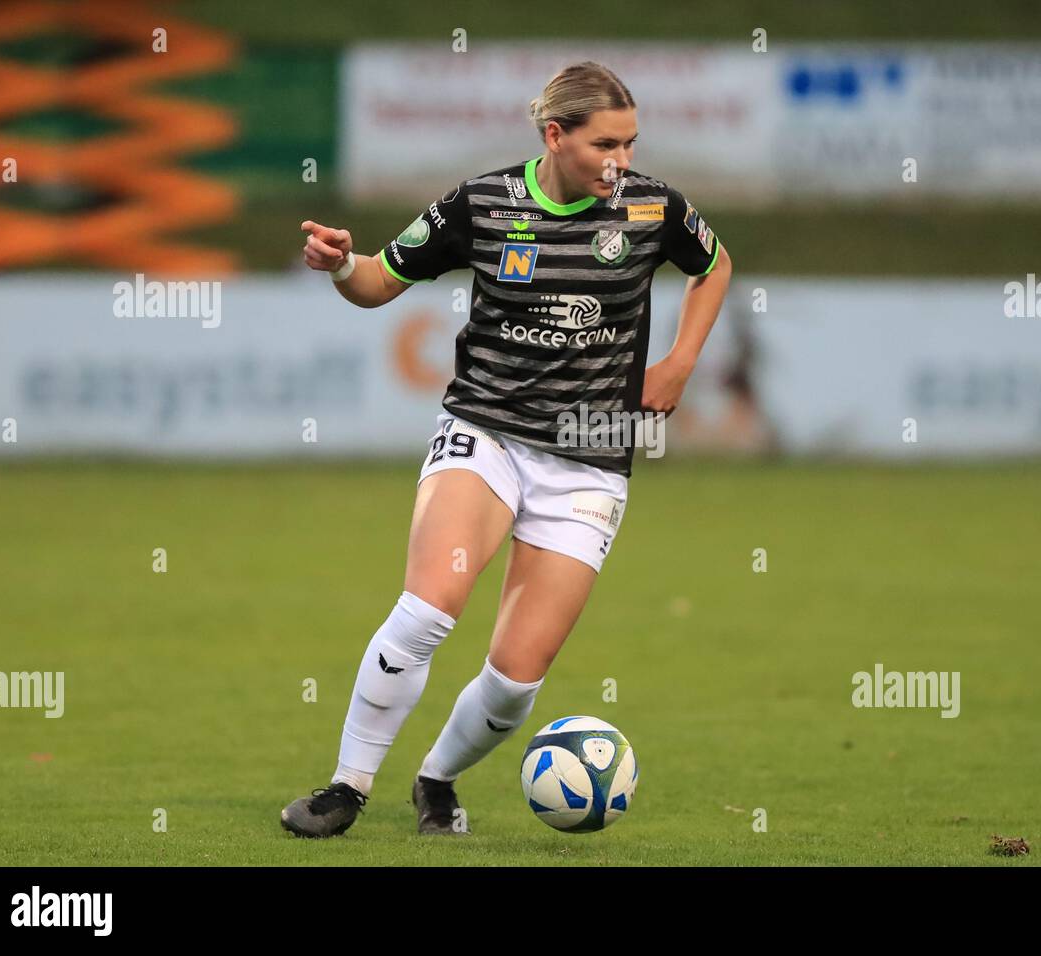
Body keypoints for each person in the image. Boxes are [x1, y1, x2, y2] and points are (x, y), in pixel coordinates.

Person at [281, 60, 732, 837]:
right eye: (604, 145)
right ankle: (346, 788)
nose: (620, 162)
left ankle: (436, 781)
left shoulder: (653, 207)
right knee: (428, 609)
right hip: (485, 433)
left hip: (591, 456)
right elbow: (379, 282)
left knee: (516, 683)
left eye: (630, 144)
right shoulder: (481, 203)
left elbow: (715, 265)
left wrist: (682, 361)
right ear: (555, 136)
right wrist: (338, 266)